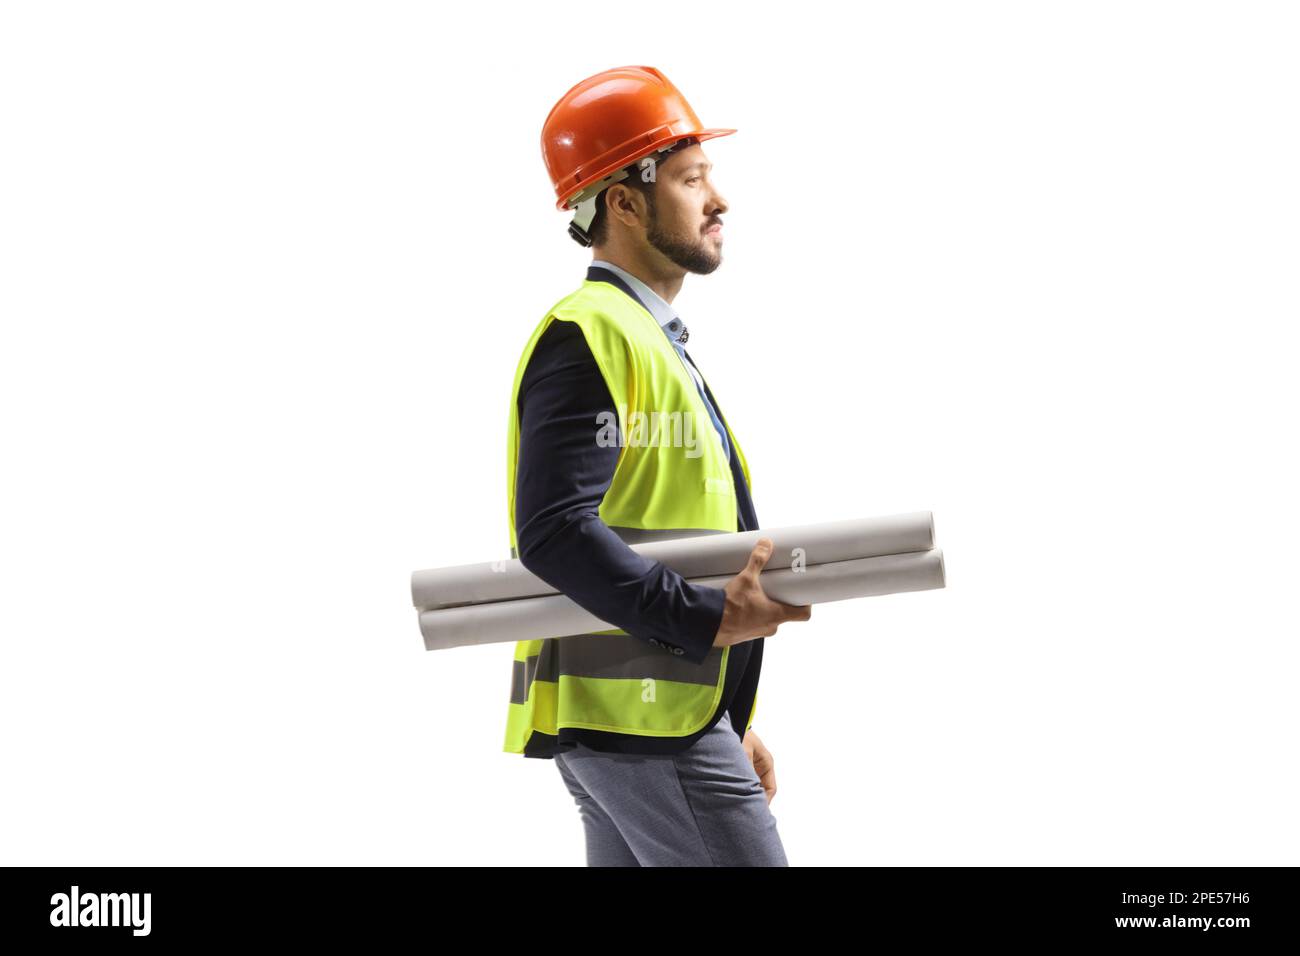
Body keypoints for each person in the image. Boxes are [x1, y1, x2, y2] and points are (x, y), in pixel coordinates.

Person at [503, 66, 811, 866]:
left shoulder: (646, 339)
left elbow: (652, 530)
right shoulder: (593, 334)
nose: (719, 200)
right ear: (626, 201)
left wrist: (727, 714)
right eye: (691, 177)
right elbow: (555, 532)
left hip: (656, 721)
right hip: (643, 729)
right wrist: (703, 622)